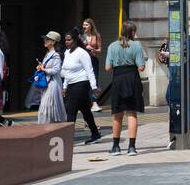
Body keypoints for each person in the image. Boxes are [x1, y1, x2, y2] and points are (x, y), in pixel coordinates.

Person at [104, 22, 146, 156]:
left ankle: (116, 147)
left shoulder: (112, 46)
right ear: (132, 33)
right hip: (132, 79)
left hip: (118, 79)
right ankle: (132, 147)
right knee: (132, 113)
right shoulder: (137, 46)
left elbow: (107, 67)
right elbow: (141, 67)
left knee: (117, 114)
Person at [62, 28, 101, 144]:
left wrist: (94, 87)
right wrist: (64, 86)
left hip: (81, 84)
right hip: (71, 85)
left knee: (71, 109)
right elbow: (65, 71)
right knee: (85, 110)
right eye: (65, 40)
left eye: (69, 40)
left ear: (75, 40)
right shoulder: (66, 53)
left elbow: (90, 70)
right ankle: (95, 133)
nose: (66, 42)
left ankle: (67, 141)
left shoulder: (82, 53)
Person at [36, 32, 66, 125]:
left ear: (53, 42)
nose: (45, 41)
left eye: (47, 39)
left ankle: (50, 128)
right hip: (47, 84)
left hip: (53, 84)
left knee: (49, 107)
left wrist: (44, 69)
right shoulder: (48, 54)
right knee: (46, 107)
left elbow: (56, 70)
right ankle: (46, 128)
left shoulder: (56, 55)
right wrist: (41, 67)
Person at [81, 18, 103, 112]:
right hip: (82, 62)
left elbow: (100, 50)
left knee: (94, 81)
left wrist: (93, 49)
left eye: (86, 25)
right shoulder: (81, 37)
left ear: (91, 26)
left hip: (93, 60)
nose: (84, 26)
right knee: (83, 81)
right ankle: (84, 103)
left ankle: (94, 103)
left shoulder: (96, 36)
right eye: (83, 25)